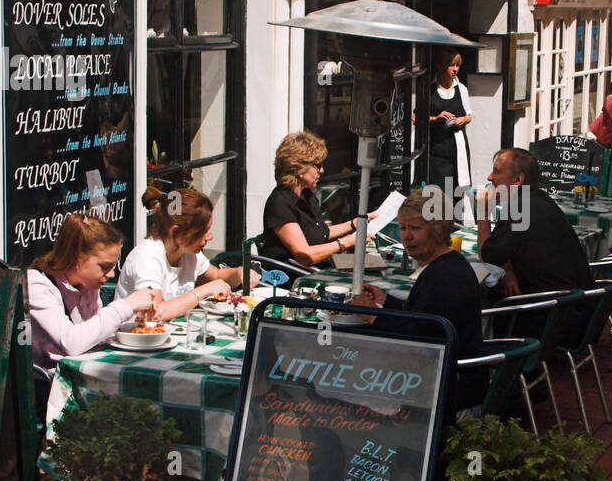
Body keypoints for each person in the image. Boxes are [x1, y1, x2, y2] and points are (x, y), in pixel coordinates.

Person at [351, 189, 487, 481]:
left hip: (447, 393)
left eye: (416, 229)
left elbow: (424, 340)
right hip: (448, 382)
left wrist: (375, 319)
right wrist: (388, 303)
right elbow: (422, 318)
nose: (407, 236)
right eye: (404, 228)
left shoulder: (444, 276)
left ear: (440, 230)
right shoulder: (445, 268)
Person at [27, 213, 159, 415]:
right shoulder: (38, 284)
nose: (112, 274)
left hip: (82, 381)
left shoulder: (87, 284)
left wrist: (134, 321)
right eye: (104, 267)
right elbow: (71, 342)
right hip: (46, 392)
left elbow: (98, 335)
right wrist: (125, 305)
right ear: (76, 259)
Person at [477, 148, 593, 308]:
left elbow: (488, 257)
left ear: (518, 179)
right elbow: (505, 250)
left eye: (496, 171)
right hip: (581, 307)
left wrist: (482, 213)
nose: (490, 177)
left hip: (554, 315)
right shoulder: (540, 199)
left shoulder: (520, 208)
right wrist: (507, 268)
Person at [116, 186, 253, 320]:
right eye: (203, 230)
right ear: (177, 232)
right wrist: (202, 292)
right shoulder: (147, 257)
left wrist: (239, 273)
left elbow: (216, 275)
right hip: (136, 338)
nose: (210, 237)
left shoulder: (188, 253)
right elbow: (153, 314)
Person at [259, 131, 370, 268]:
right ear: (299, 168)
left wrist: (356, 223)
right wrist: (346, 242)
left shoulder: (307, 195)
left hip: (318, 269)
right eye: (317, 166)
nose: (322, 170)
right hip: (294, 277)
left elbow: (321, 233)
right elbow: (305, 255)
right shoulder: (280, 203)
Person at [427, 51, 474, 210]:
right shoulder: (430, 89)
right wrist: (436, 118)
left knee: (457, 191)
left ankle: (456, 229)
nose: (455, 69)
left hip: (458, 150)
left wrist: (462, 120)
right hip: (437, 151)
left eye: (457, 65)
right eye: (451, 65)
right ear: (440, 66)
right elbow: (415, 118)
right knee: (438, 195)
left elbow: (469, 115)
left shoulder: (461, 89)